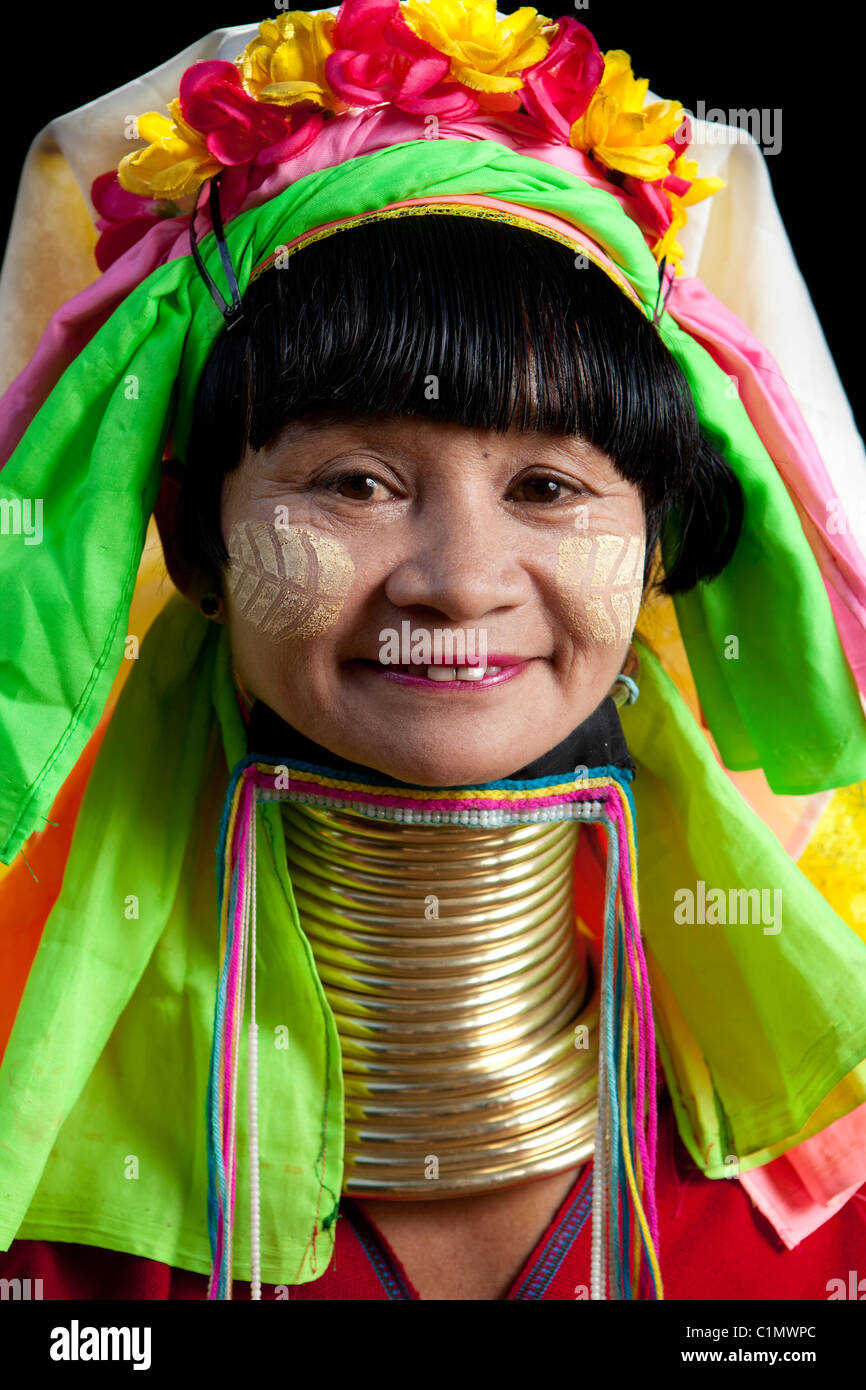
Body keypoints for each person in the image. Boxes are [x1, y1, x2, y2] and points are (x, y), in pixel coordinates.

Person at [0, 2, 865, 1302]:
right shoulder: (47, 1241)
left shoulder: (829, 1199)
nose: (456, 581)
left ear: (656, 542)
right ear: (191, 540)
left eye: (549, 488)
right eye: (352, 481)